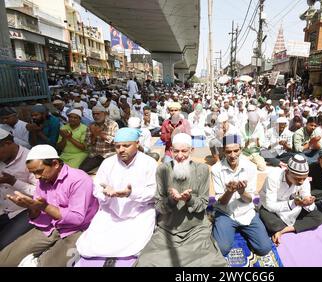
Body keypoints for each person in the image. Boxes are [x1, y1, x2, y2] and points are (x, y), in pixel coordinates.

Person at [0, 145, 98, 266]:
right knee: (6, 258)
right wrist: (30, 206)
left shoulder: (79, 179)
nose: (37, 177)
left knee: (50, 263)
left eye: (39, 171)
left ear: (55, 163)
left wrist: (44, 207)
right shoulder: (43, 181)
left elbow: (77, 219)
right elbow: (38, 215)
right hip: (50, 225)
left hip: (78, 230)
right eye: (33, 173)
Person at [137, 133, 226, 267]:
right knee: (146, 262)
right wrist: (172, 200)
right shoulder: (163, 170)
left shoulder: (202, 169)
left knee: (210, 263)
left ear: (192, 151)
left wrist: (189, 199)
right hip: (167, 229)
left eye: (184, 151)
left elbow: (203, 203)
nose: (179, 156)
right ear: (171, 151)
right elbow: (158, 205)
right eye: (176, 151)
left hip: (195, 229)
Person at [76, 128, 157, 260]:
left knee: (136, 248)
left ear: (137, 144)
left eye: (126, 145)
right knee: (88, 247)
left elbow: (154, 192)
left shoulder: (149, 163)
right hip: (111, 212)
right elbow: (97, 187)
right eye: (117, 146)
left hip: (139, 213)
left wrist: (131, 194)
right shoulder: (108, 163)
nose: (121, 150)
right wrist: (105, 193)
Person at [211, 135, 272, 257]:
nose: (233, 155)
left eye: (236, 151)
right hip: (226, 213)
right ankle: (225, 227)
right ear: (223, 151)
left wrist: (241, 191)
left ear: (241, 149)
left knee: (264, 248)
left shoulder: (250, 167)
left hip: (246, 212)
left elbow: (250, 199)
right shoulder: (216, 169)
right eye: (228, 151)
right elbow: (221, 202)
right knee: (221, 250)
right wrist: (229, 192)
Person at [258, 155, 322, 246]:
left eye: (304, 178)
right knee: (273, 225)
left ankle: (282, 230)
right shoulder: (273, 177)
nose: (301, 182)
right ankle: (281, 228)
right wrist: (294, 203)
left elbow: (305, 196)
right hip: (272, 209)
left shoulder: (303, 180)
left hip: (294, 209)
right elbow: (270, 205)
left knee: (319, 217)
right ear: (287, 171)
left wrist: (307, 202)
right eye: (297, 179)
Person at [0, 129, 36, 250]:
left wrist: (13, 181)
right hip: (3, 209)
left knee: (3, 245)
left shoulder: (31, 159)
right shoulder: (2, 158)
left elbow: (41, 192)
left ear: (8, 144)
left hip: (26, 210)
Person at [78, 106, 119, 173]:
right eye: (93, 114)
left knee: (111, 173)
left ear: (105, 114)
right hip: (95, 155)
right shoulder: (91, 125)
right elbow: (87, 144)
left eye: (98, 114)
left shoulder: (113, 124)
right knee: (81, 170)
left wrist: (101, 135)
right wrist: (94, 135)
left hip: (109, 154)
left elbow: (117, 142)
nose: (95, 116)